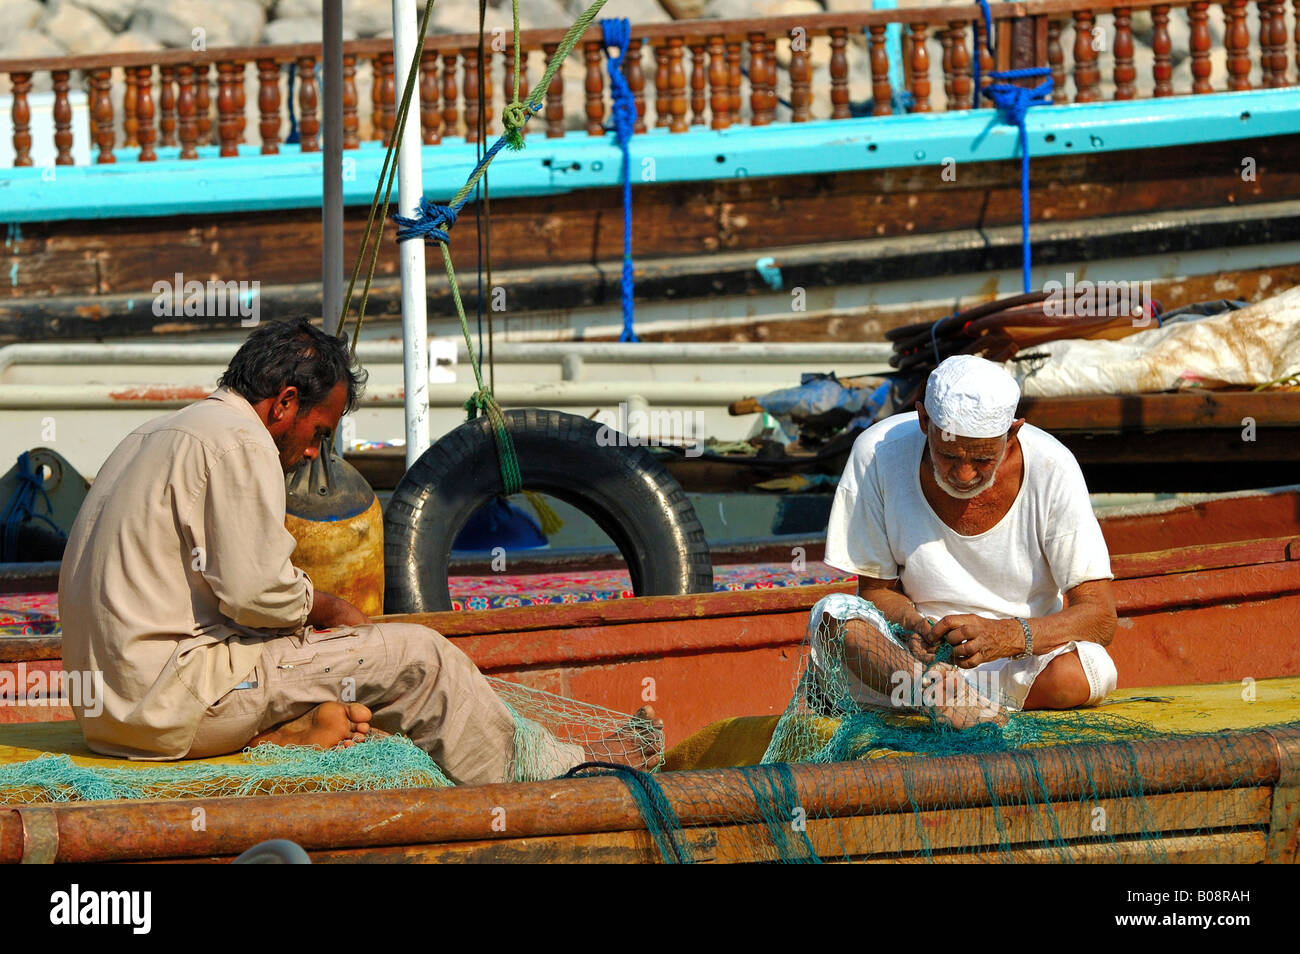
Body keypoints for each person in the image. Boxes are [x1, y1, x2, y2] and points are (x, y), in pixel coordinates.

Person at [60, 319, 656, 783]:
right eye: (321, 431)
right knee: (420, 656)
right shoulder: (240, 442)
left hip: (113, 715)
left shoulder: (159, 433)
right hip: (174, 702)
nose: (318, 452)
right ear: (285, 402)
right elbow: (255, 592)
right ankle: (557, 773)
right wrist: (331, 610)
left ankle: (292, 732)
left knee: (334, 658)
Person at [816, 354, 1118, 728]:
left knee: (1085, 672)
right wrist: (914, 624)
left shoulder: (1053, 466)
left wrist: (1006, 636)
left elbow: (1100, 617)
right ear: (924, 421)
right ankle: (941, 698)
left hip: (1014, 662)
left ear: (1013, 432)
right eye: (947, 455)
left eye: (981, 459)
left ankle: (950, 702)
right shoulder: (878, 452)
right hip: (914, 667)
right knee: (833, 616)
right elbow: (874, 593)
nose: (963, 474)